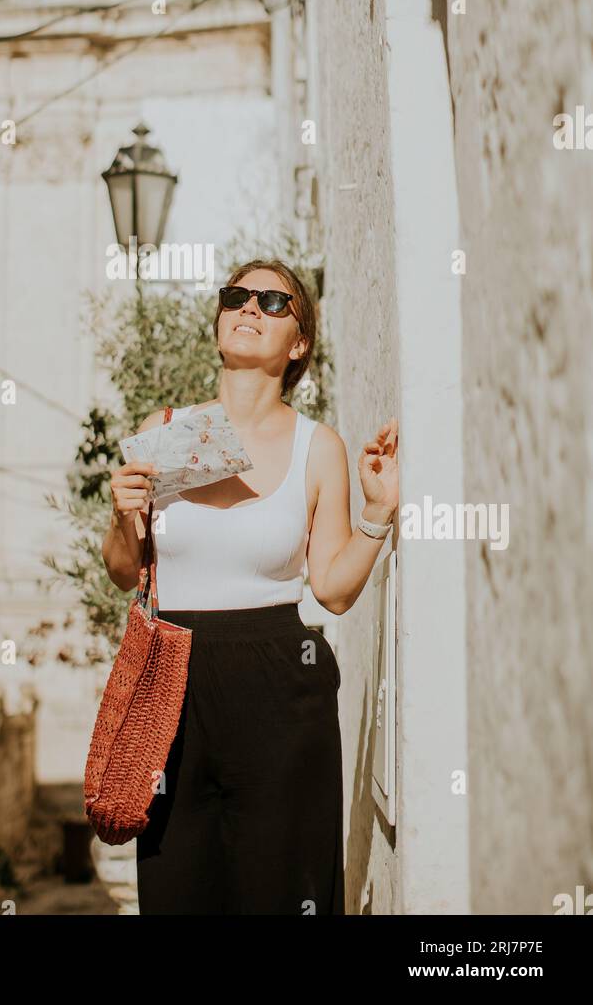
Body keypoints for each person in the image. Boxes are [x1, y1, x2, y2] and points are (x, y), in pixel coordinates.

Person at [102, 258, 399, 915]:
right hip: (172, 690)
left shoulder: (317, 447)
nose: (249, 308)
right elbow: (125, 568)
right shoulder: (162, 432)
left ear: (299, 344)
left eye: (273, 302)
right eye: (237, 295)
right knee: (177, 889)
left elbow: (334, 591)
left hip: (281, 690)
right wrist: (123, 514)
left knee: (279, 889)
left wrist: (377, 513)